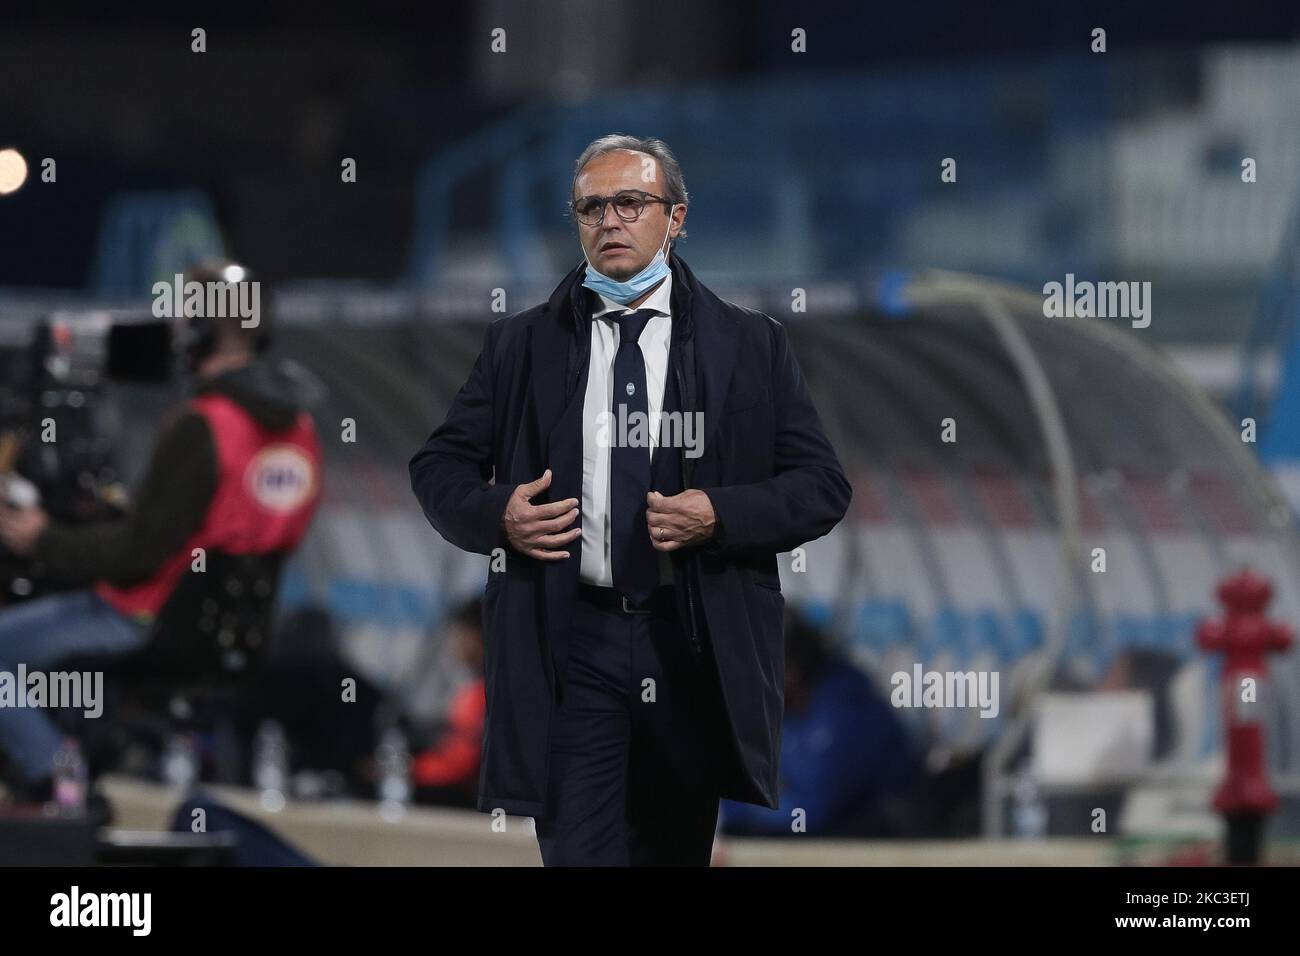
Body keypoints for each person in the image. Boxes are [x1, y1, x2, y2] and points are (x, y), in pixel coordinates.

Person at [410, 134, 852, 865]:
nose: (609, 221)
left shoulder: (750, 346)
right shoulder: (520, 346)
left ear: (675, 218)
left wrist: (719, 514)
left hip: (689, 641)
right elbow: (438, 466)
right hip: (572, 642)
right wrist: (499, 516)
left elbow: (821, 488)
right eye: (591, 207)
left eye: (629, 203)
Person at [0, 258, 323, 804]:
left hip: (147, 616)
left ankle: (57, 782)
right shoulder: (301, 429)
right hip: (231, 632)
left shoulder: (204, 422)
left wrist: (42, 539)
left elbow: (139, 552)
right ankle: (77, 760)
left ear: (198, 330)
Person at [719, 608, 916, 837]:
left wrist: (746, 810)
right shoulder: (783, 711)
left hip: (878, 838)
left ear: (791, 667)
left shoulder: (847, 708)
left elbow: (810, 813)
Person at [410, 596, 486, 809]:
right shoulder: (482, 688)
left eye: (462, 633)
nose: (456, 641)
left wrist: (409, 770)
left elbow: (457, 765)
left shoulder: (481, 695)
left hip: (474, 810)